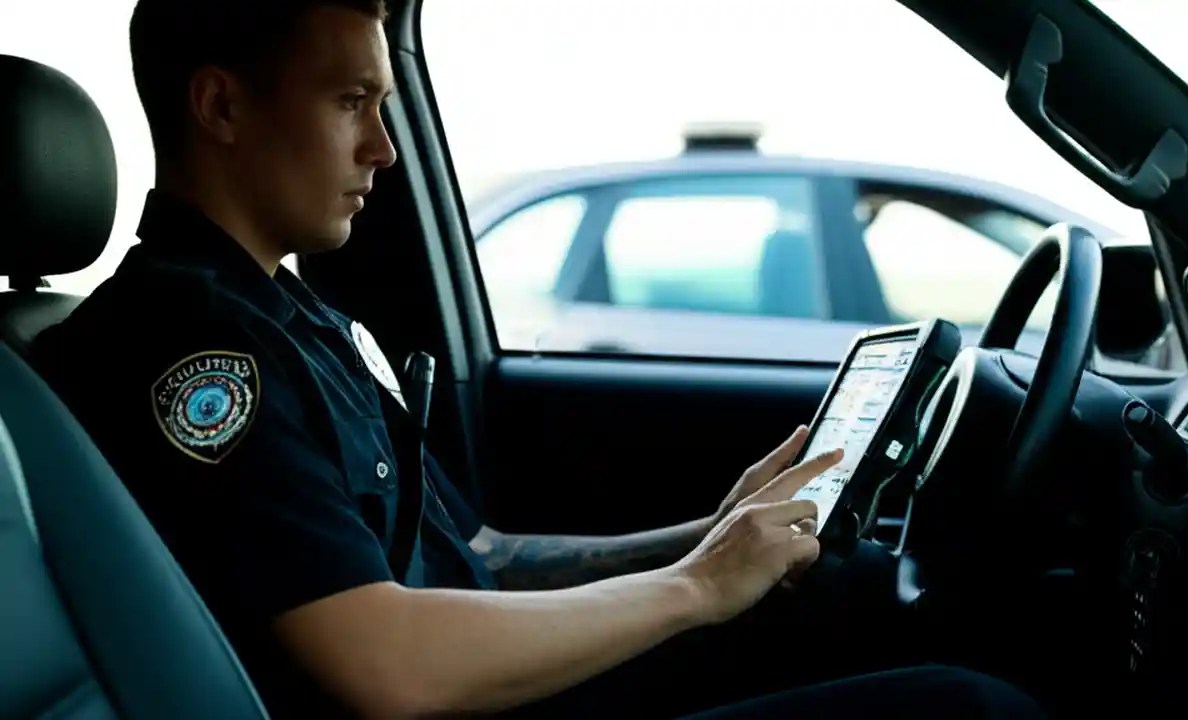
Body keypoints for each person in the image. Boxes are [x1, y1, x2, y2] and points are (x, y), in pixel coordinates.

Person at [30, 1, 1048, 718]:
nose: (382, 149)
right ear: (220, 108)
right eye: (349, 102)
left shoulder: (290, 317)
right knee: (971, 707)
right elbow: (384, 667)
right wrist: (693, 590)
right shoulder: (192, 355)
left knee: (847, 603)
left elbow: (479, 557)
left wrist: (709, 536)